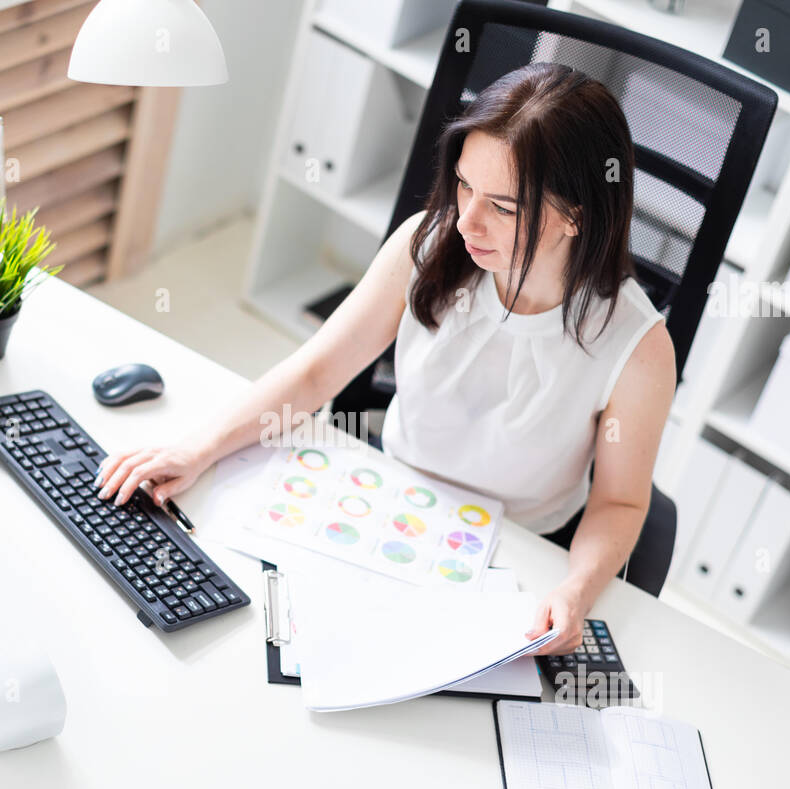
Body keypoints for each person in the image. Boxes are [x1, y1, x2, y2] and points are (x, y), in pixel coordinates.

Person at [96, 62, 675, 657]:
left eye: (502, 206)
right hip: (392, 503)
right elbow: (317, 371)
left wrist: (575, 590)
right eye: (464, 184)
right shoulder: (428, 244)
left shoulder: (637, 348)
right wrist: (197, 448)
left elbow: (621, 501)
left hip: (515, 551)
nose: (467, 220)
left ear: (575, 215)